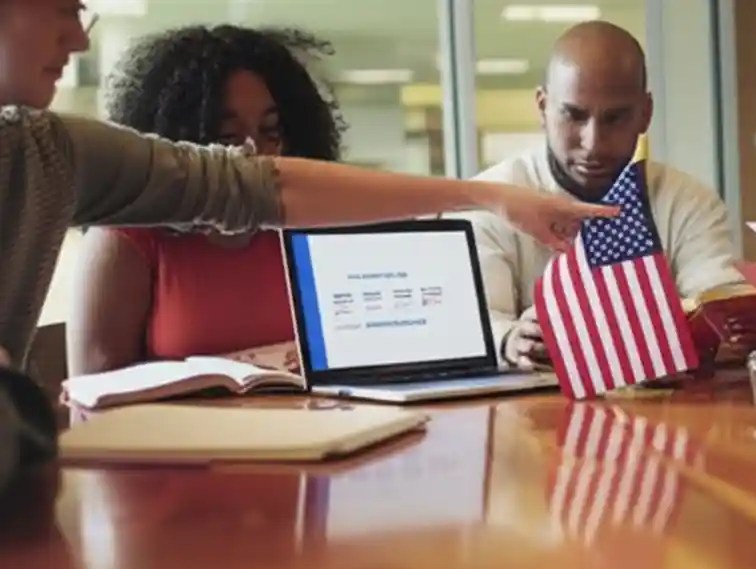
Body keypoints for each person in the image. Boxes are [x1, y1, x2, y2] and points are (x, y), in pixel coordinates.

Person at [0, 1, 615, 372]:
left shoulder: (47, 149)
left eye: (270, 131)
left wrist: (487, 196)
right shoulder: (122, 229)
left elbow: (258, 187)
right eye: (62, 8)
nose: (80, 38)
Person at [458, 21, 741, 370]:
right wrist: (508, 339)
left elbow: (723, 308)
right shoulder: (493, 200)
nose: (593, 143)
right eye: (573, 115)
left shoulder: (688, 202)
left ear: (645, 114)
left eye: (615, 118)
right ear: (543, 107)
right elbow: (470, 322)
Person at [67, 26, 343, 376]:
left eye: (271, 131)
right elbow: (93, 407)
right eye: (226, 136)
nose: (253, 152)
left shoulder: (306, 226)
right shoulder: (125, 240)